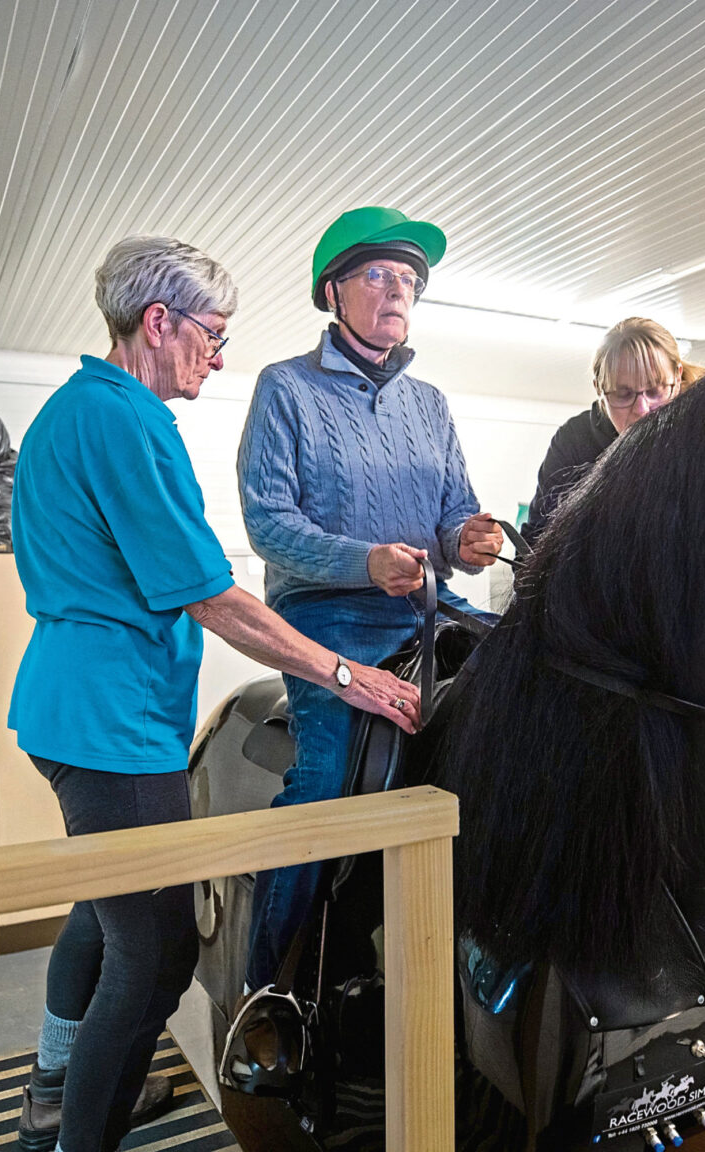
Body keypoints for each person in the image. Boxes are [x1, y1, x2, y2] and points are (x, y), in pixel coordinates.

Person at [7, 235, 422, 1152]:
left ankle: (50, 1084)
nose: (221, 354)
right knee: (155, 955)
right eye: (212, 335)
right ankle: (72, 1137)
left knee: (99, 908)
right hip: (109, 723)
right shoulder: (122, 420)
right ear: (158, 322)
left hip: (76, 707)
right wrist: (348, 675)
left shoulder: (76, 409)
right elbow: (213, 596)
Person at [237, 206, 503, 990]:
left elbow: (455, 513)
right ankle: (269, 988)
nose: (398, 292)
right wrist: (365, 563)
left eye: (410, 281)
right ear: (334, 292)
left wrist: (467, 541)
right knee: (325, 777)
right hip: (325, 616)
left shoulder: (431, 405)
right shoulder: (284, 388)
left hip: (428, 609)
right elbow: (268, 524)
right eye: (380, 276)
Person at [522, 317, 705, 1049]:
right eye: (622, 397)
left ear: (677, 381)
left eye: (654, 392)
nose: (641, 412)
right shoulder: (574, 447)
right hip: (626, 656)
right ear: (598, 394)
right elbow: (546, 562)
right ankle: (638, 970)